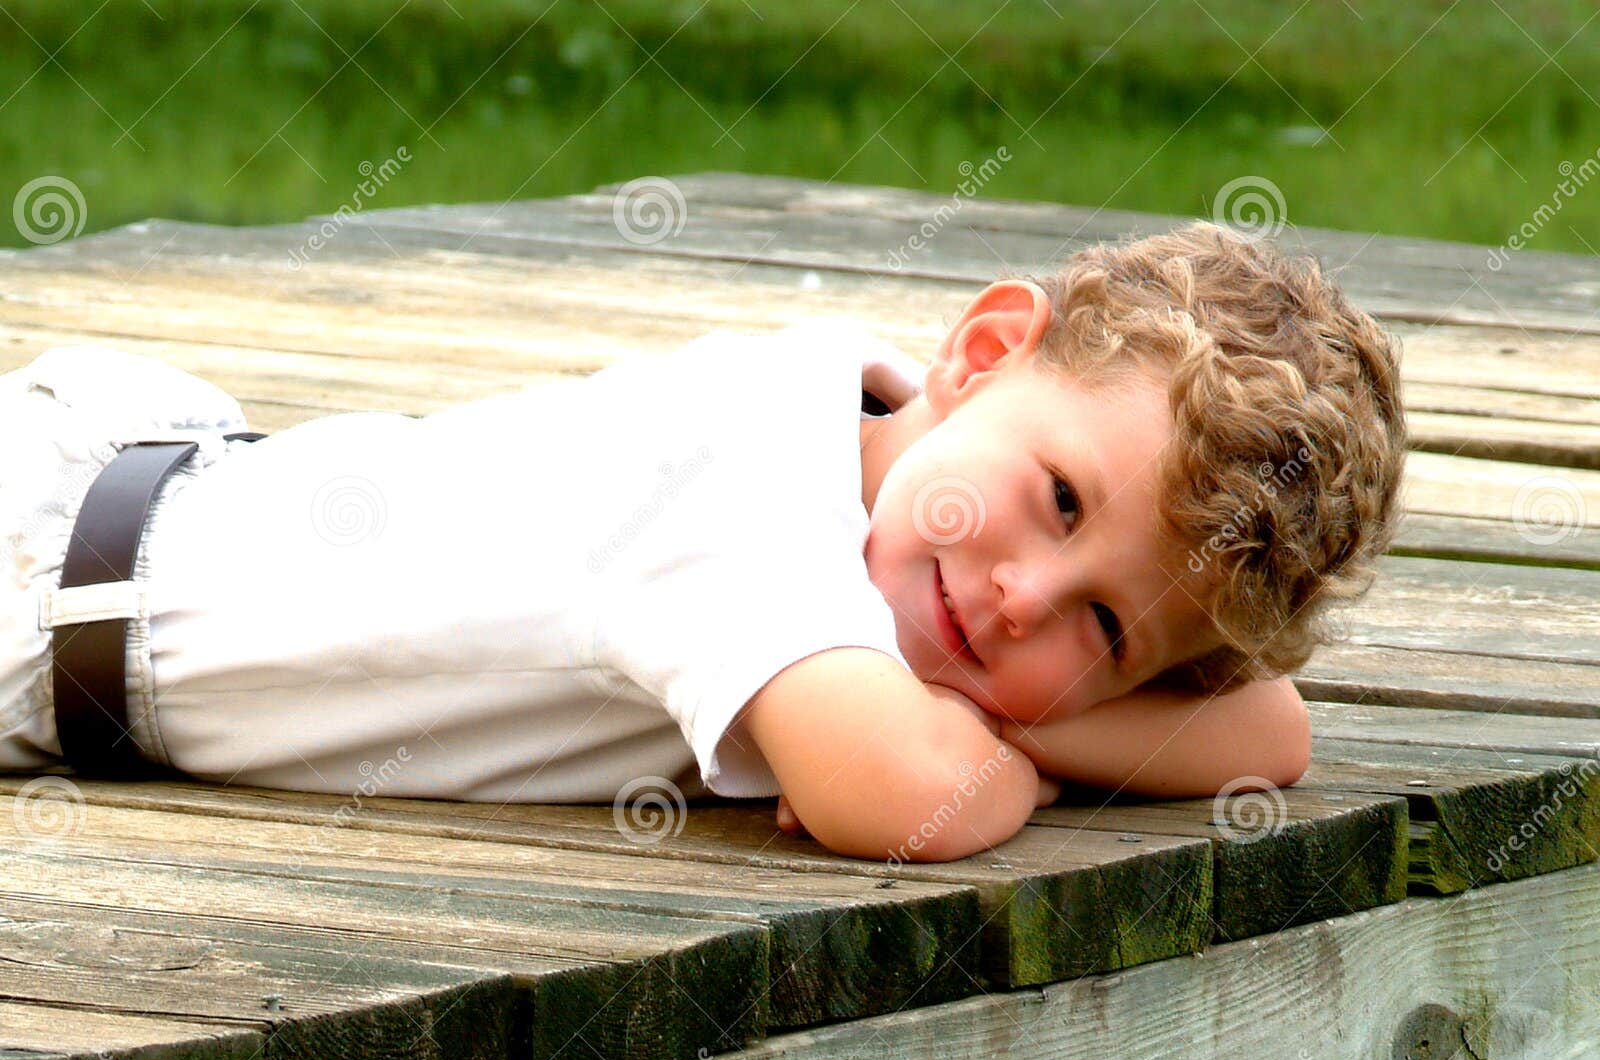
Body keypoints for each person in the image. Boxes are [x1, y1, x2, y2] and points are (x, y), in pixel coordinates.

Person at [0, 220, 1406, 864]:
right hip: (48, 587)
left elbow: (1267, 729)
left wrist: (1006, 724)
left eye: (1106, 630)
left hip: (148, 517)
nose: (1023, 597)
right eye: (1058, 500)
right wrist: (992, 739)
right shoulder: (748, 498)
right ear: (982, 350)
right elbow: (914, 798)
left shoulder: (876, 428)